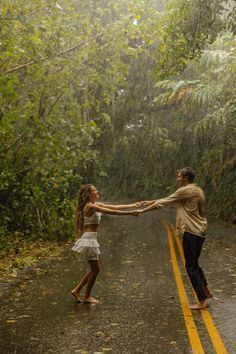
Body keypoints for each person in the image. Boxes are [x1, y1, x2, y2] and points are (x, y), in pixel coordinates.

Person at [137, 167, 212, 310]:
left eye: (179, 176)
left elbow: (164, 203)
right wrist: (148, 201)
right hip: (200, 231)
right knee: (194, 263)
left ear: (185, 177)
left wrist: (142, 210)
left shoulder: (185, 191)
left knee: (190, 266)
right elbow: (171, 199)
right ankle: (206, 291)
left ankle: (201, 300)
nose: (177, 178)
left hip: (191, 231)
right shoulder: (197, 190)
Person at [71, 184, 141, 304]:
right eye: (94, 190)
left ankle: (77, 290)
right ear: (89, 193)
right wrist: (131, 213)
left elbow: (115, 206)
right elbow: (112, 211)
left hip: (90, 239)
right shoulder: (91, 206)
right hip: (89, 240)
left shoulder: (94, 205)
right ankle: (86, 296)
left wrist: (132, 205)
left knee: (95, 269)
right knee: (96, 269)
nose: (96, 191)